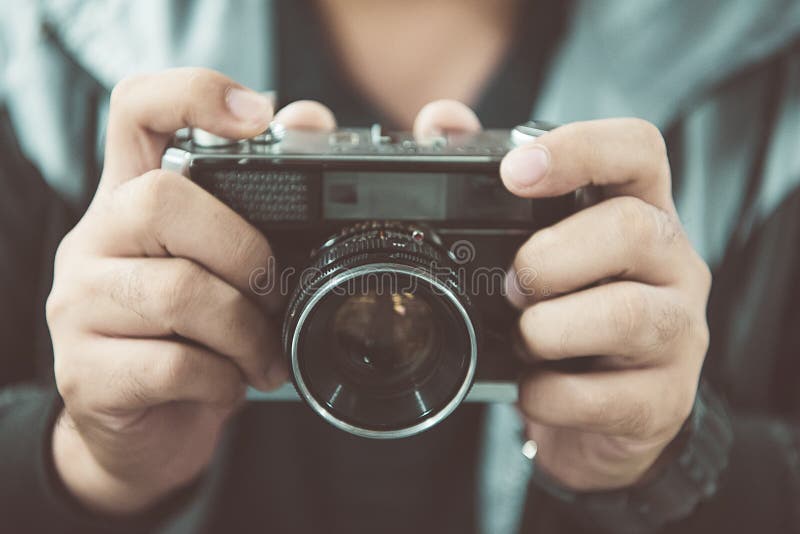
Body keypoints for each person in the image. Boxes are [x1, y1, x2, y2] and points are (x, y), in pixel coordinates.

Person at [0, 1, 798, 533]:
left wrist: (665, 460)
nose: (386, 314)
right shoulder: (42, 65)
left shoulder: (770, 85)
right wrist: (85, 462)